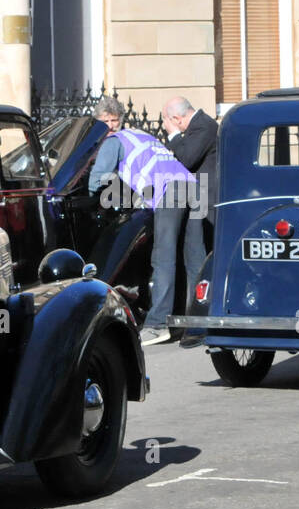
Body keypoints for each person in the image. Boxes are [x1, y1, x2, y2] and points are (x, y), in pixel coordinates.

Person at [88, 96, 194, 345]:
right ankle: (195, 321)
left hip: (168, 191)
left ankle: (157, 325)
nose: (111, 125)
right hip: (191, 186)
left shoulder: (112, 142)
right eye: (106, 121)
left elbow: (95, 183)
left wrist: (113, 192)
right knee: (191, 255)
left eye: (114, 120)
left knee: (163, 257)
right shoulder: (142, 135)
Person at [162, 96, 218, 297]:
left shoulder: (203, 126)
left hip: (208, 201)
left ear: (177, 118)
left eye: (167, 122)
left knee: (204, 257)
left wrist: (174, 136)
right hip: (198, 199)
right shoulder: (199, 126)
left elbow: (187, 159)